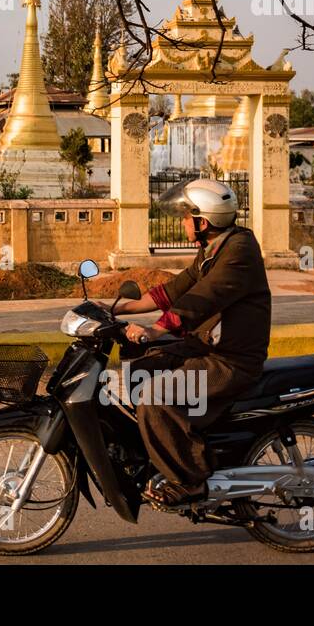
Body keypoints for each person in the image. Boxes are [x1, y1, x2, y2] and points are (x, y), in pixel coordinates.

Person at [109, 178, 271, 507]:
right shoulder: (213, 249)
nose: (182, 222)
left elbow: (200, 300)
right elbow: (174, 289)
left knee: (155, 394)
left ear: (203, 222)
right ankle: (154, 453)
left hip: (230, 361)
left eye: (186, 217)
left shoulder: (239, 252)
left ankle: (190, 479)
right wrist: (114, 308)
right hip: (205, 348)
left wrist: (155, 329)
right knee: (133, 370)